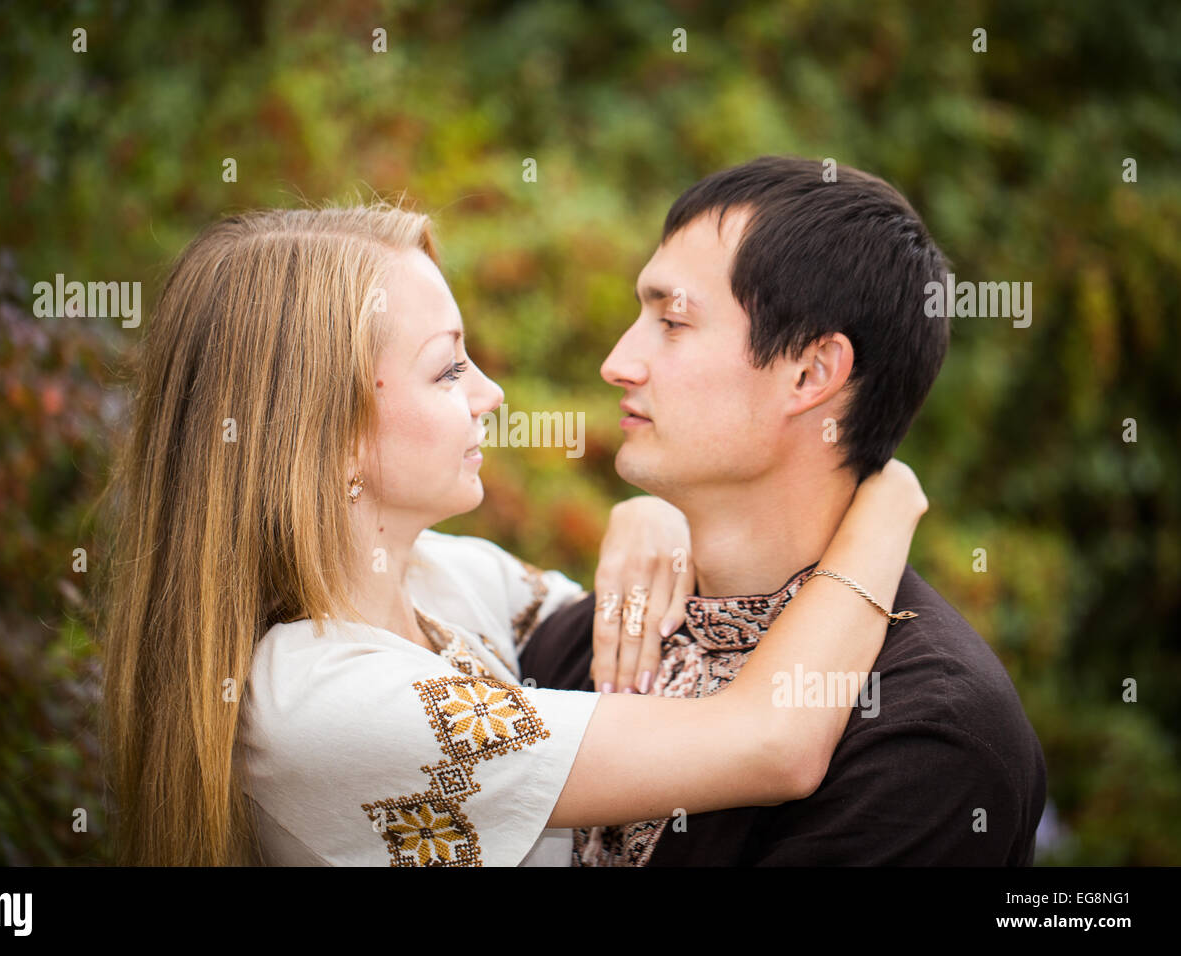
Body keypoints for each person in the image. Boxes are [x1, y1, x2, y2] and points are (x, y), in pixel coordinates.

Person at [99, 203, 926, 867]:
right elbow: (771, 742)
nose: (489, 394)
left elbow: (624, 628)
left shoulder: (443, 579)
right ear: (334, 435)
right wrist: (886, 503)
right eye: (447, 369)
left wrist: (661, 513)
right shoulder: (316, 706)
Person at [520, 156, 1048, 866]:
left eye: (672, 321)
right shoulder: (593, 637)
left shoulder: (929, 734)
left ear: (810, 373)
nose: (618, 362)